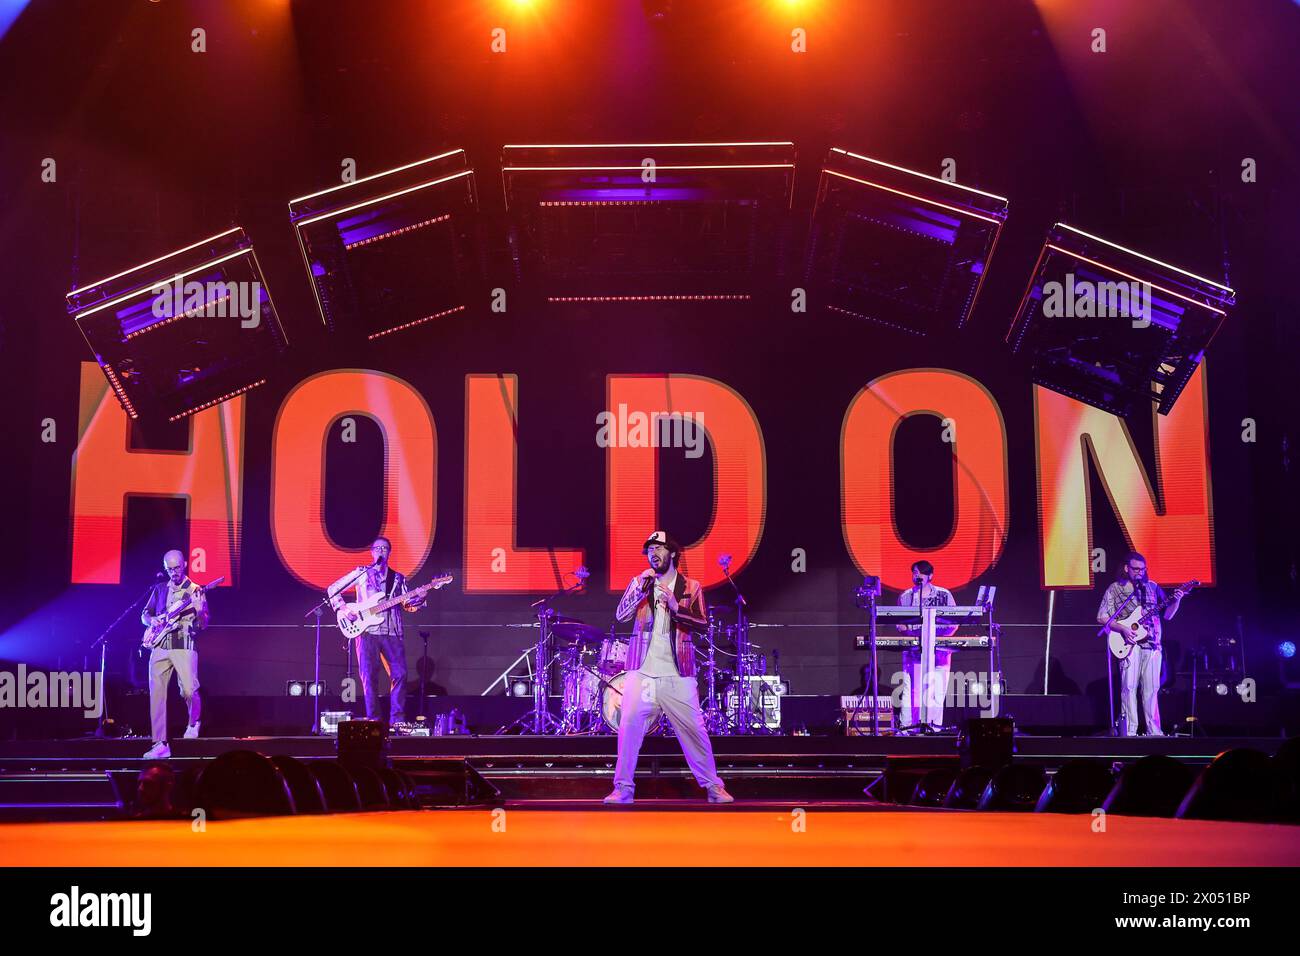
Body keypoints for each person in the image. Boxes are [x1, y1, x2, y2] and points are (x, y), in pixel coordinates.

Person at [603, 531, 734, 805]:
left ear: (672, 552)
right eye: (649, 549)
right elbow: (621, 615)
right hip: (642, 671)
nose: (653, 553)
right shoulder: (641, 582)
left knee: (694, 731)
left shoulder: (691, 586)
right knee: (628, 729)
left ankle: (713, 787)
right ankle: (623, 789)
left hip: (678, 673)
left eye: (658, 547)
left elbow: (702, 623)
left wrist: (676, 607)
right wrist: (640, 588)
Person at [328, 537, 425, 726]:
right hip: (366, 632)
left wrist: (419, 598)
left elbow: (407, 604)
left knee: (400, 674)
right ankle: (374, 720)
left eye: (385, 548)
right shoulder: (361, 574)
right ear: (372, 552)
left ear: (389, 553)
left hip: (392, 632)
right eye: (378, 548)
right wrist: (344, 609)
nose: (381, 551)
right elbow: (333, 589)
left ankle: (397, 720)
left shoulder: (397, 578)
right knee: (369, 676)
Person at [1097, 551, 1181, 736]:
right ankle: (1130, 731)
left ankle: (1154, 731)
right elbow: (1102, 617)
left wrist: (1177, 601)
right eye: (1136, 569)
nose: (1140, 573)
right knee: (1129, 688)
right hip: (1129, 644)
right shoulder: (1115, 589)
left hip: (1152, 645)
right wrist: (1123, 629)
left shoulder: (1152, 587)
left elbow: (1167, 615)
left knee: (1151, 690)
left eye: (1143, 569)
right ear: (1126, 568)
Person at [142, 550, 207, 760]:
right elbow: (145, 614)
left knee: (188, 690)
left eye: (176, 567)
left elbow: (204, 623)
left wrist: (200, 610)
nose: (173, 572)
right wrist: (151, 622)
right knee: (157, 695)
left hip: (183, 643)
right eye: (169, 569)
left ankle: (193, 721)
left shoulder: (195, 590)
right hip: (160, 644)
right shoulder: (160, 588)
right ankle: (159, 743)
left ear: (185, 564)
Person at [896, 560, 958, 730]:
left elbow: (954, 622)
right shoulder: (906, 596)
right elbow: (899, 623)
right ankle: (907, 726)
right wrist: (908, 630)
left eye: (921, 572)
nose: (917, 575)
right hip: (914, 651)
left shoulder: (944, 595)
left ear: (930, 576)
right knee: (912, 691)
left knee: (938, 691)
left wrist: (938, 638)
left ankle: (934, 726)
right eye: (915, 572)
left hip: (940, 652)